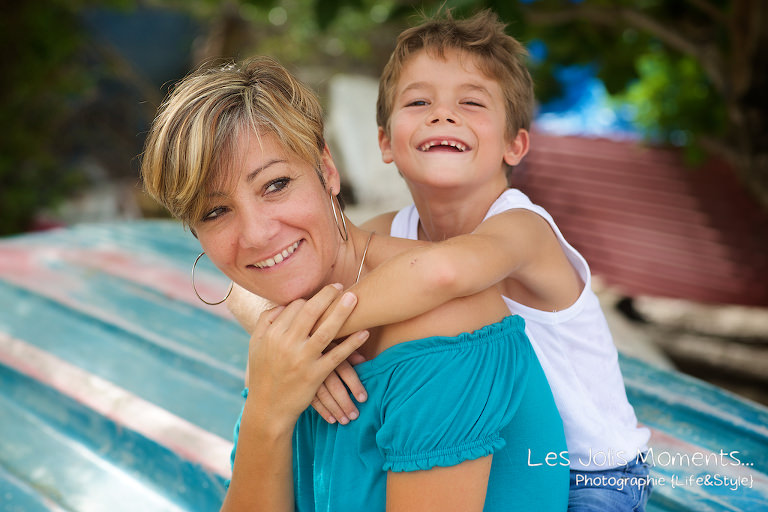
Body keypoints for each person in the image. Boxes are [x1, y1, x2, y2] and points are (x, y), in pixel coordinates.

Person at [228, 9, 653, 512]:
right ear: (385, 141)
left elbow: (444, 272)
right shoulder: (391, 231)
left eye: (471, 102)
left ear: (515, 145)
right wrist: (301, 352)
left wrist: (316, 333)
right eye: (418, 101)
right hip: (496, 449)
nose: (442, 114)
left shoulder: (523, 229)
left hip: (592, 474)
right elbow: (254, 285)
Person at [140, 56, 568, 511]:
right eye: (215, 212)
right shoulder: (282, 333)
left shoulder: (442, 325)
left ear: (326, 170)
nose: (257, 234)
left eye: (276, 184)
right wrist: (269, 411)